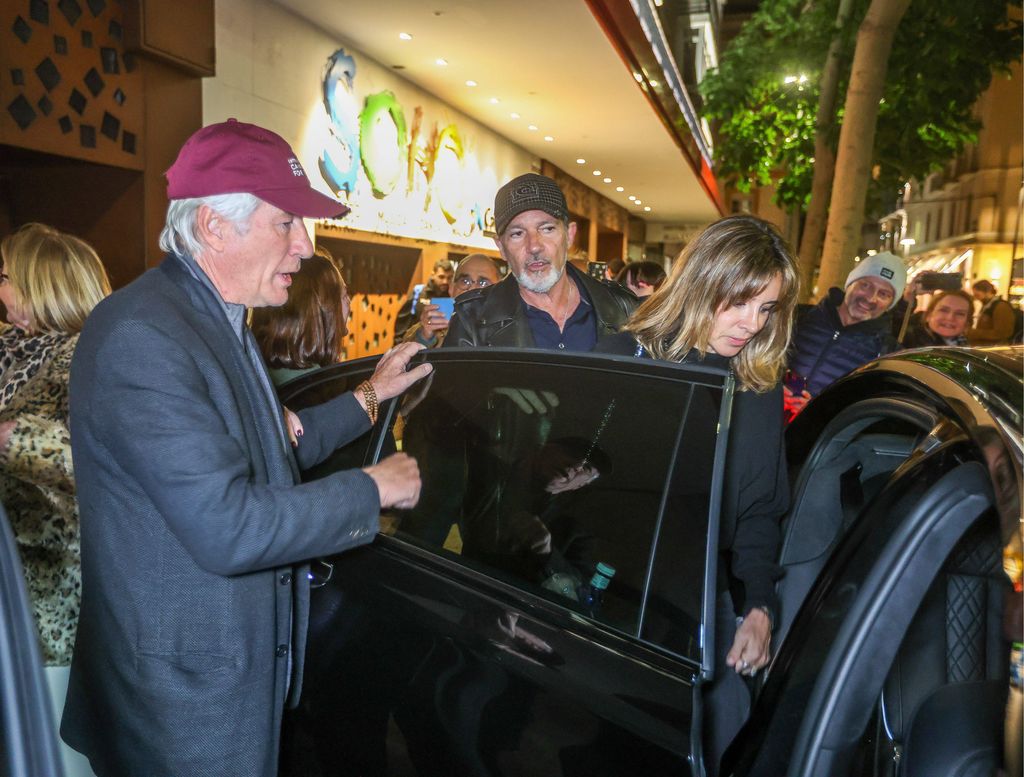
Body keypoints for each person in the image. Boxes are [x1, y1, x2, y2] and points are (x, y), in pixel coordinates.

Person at [61, 119, 432, 777]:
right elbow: (226, 525)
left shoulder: (215, 316)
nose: (305, 245)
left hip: (217, 684)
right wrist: (371, 488)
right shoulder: (143, 336)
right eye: (285, 223)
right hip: (179, 708)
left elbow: (274, 449)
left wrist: (370, 396)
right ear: (214, 226)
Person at [593, 214, 799, 777]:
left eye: (766, 309)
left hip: (708, 602)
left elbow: (760, 508)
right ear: (701, 284)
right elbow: (568, 490)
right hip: (614, 600)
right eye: (738, 303)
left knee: (724, 750)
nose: (751, 325)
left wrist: (760, 606)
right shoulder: (625, 359)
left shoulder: (756, 380)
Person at [0, 223, 110, 777]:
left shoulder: (91, 358)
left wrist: (12, 438)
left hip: (54, 600)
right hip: (9, 584)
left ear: (40, 284)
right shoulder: (9, 350)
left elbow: (102, 461)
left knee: (54, 754)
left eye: (6, 278)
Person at [445, 173, 637, 349]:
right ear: (501, 247)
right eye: (517, 234)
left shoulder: (623, 309)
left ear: (569, 235)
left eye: (547, 229)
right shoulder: (471, 320)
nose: (534, 246)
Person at [784, 252, 905, 418]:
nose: (871, 298)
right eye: (865, 285)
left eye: (883, 294)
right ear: (850, 284)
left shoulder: (888, 354)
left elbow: (872, 414)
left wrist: (819, 411)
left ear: (890, 304)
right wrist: (775, 391)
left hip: (816, 440)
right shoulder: (797, 317)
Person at [251, 249, 350, 385]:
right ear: (322, 307)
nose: (349, 302)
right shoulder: (315, 389)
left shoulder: (254, 373)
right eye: (344, 295)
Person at [405, 253, 499, 347]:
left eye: (483, 283)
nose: (472, 289)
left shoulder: (509, 329)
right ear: (451, 289)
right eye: (465, 281)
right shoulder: (429, 329)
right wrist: (424, 339)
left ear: (499, 290)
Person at [393, 258, 453, 342]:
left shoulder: (452, 297)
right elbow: (401, 326)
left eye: (449, 278)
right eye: (441, 277)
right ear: (433, 274)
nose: (445, 281)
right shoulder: (419, 293)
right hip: (418, 347)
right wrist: (398, 347)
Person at [902, 289, 973, 348]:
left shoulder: (967, 350)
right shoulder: (906, 340)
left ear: (967, 322)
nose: (950, 318)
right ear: (928, 315)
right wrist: (908, 295)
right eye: (943, 310)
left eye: (960, 313)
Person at [966, 279, 1016, 345]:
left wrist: (973, 333)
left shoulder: (1001, 307)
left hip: (995, 348)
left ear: (988, 292)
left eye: (978, 295)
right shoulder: (987, 306)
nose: (976, 298)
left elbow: (1002, 333)